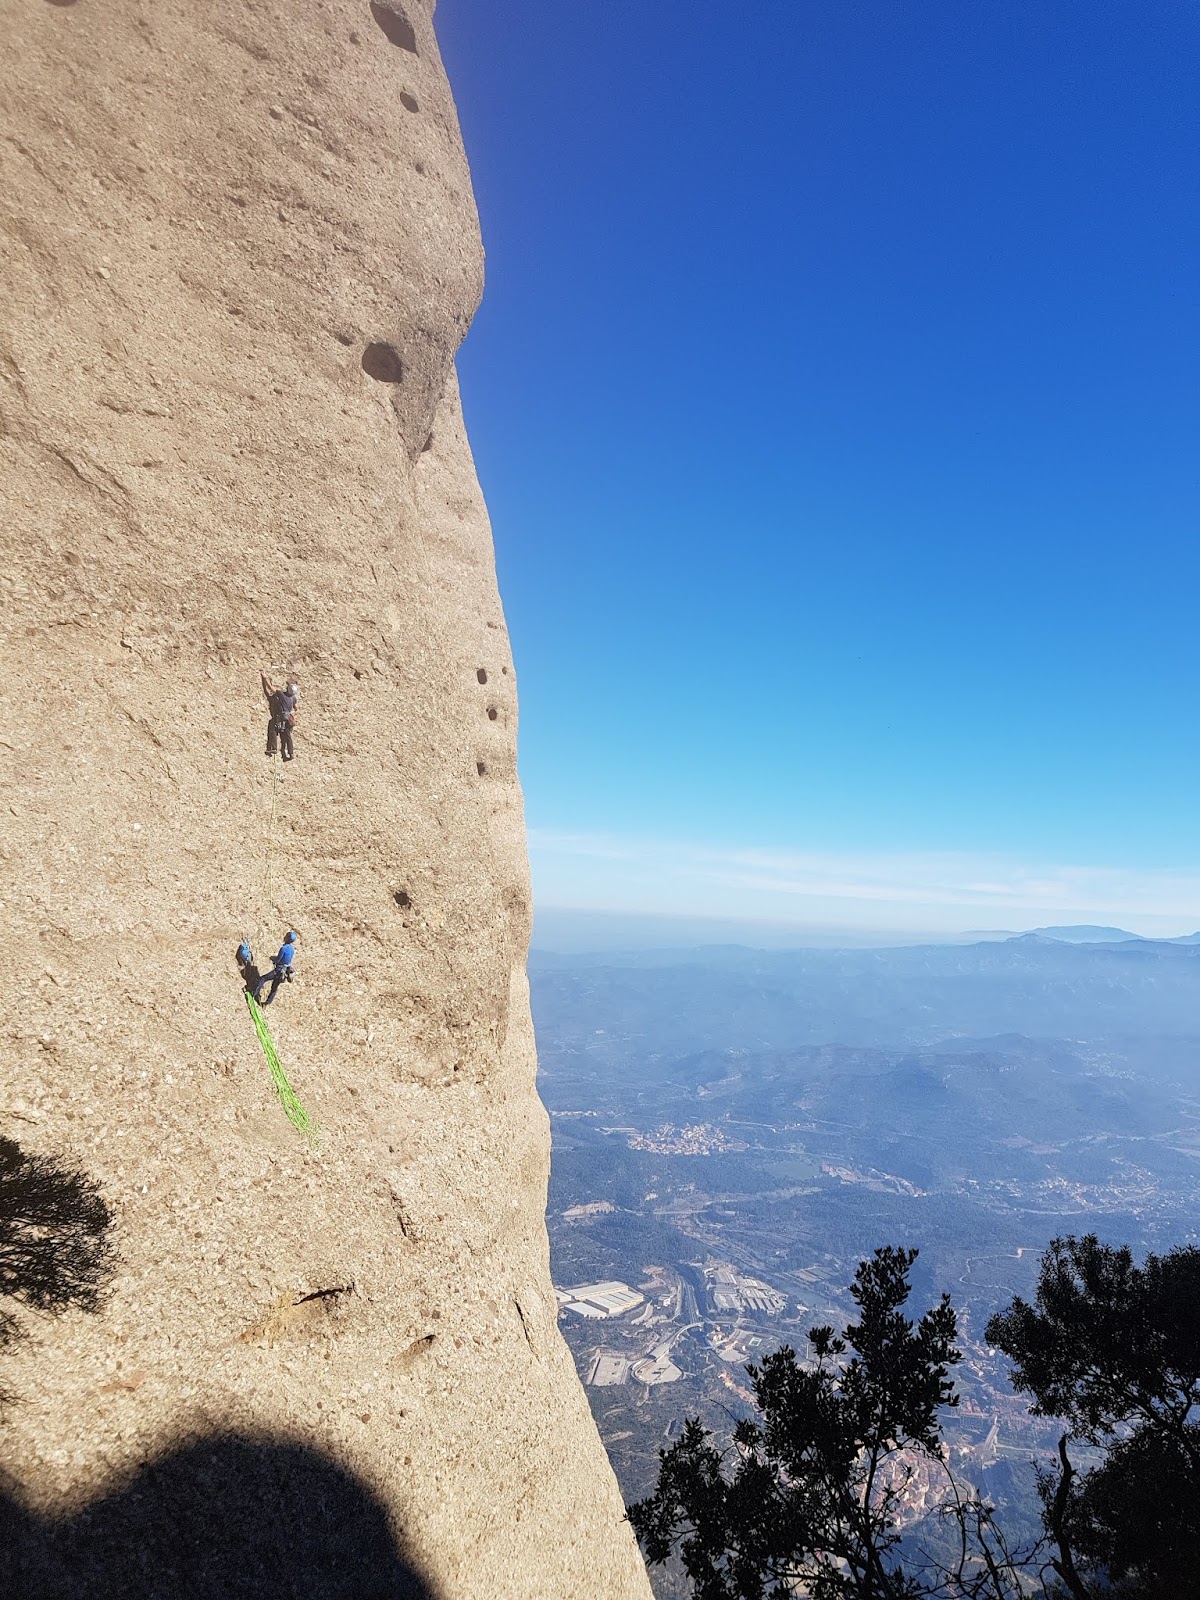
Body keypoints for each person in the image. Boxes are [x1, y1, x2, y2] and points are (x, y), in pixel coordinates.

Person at [261, 672, 299, 761]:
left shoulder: (282, 694)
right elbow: (296, 708)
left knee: (273, 728)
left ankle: (273, 748)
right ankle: (290, 753)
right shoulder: (293, 698)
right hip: (288, 718)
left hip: (281, 716)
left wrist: (265, 678)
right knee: (287, 735)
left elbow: (270, 688)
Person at [255, 931, 298, 1006]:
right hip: (284, 972)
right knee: (274, 987)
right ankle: (267, 1003)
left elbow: (278, 959)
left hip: (279, 970)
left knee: (263, 978)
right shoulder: (292, 949)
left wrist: (273, 958)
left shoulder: (283, 948)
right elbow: (287, 960)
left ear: (287, 938)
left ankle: (254, 993)